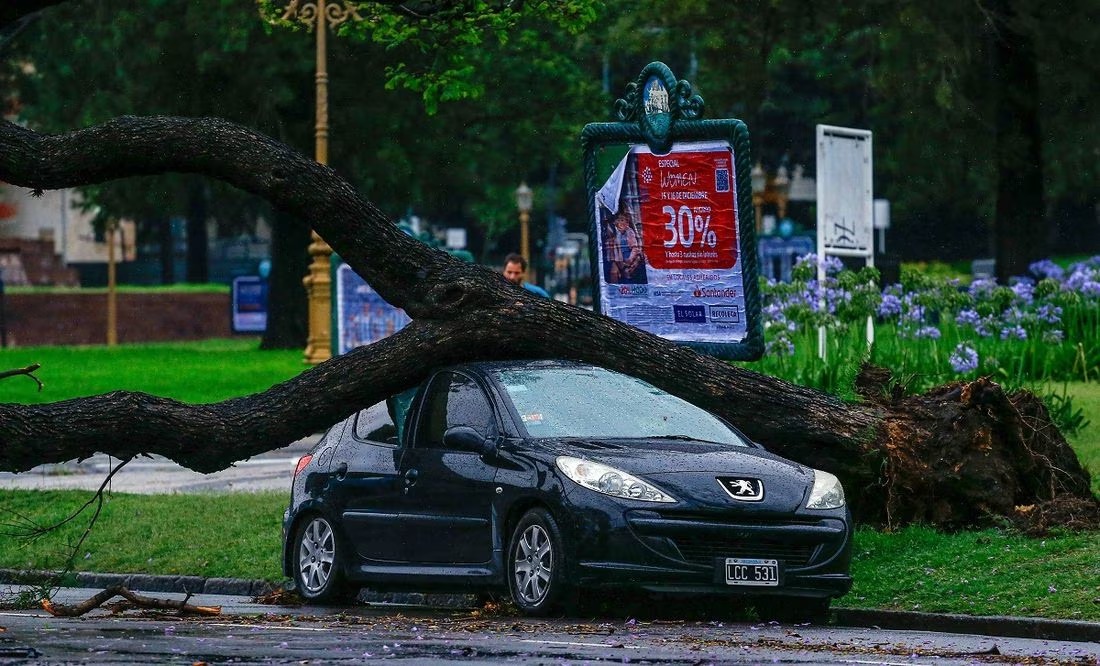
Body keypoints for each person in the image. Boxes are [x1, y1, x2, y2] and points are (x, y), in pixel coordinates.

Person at [604, 210, 645, 283]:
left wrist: (629, 260)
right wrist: (618, 263)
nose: (620, 223)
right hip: (621, 261)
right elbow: (616, 250)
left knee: (628, 274)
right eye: (618, 220)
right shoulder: (617, 234)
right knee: (615, 274)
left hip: (629, 259)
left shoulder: (629, 232)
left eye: (622, 220)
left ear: (627, 223)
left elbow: (634, 248)